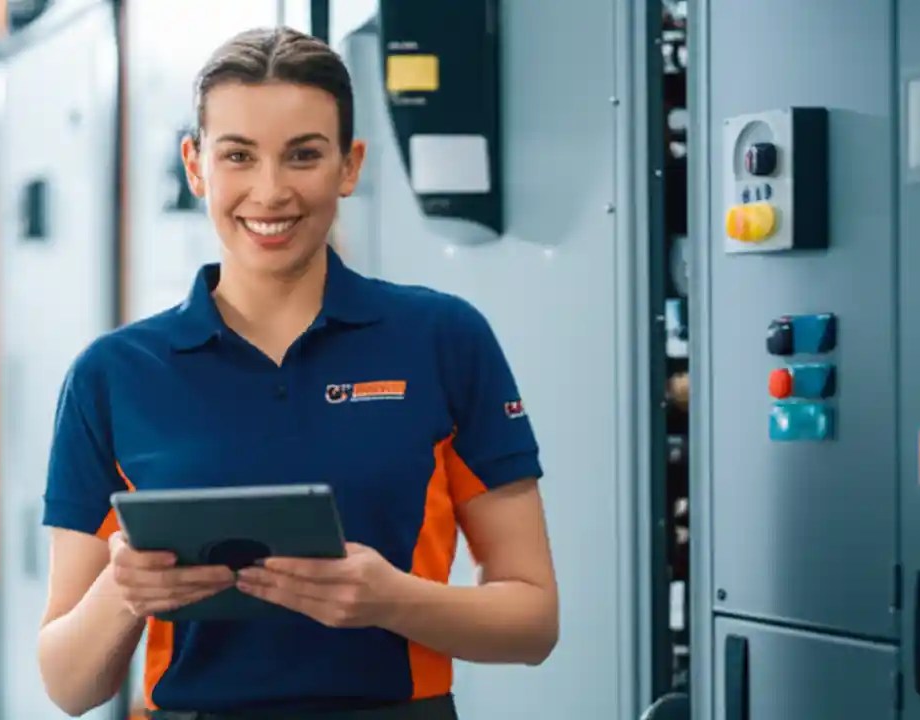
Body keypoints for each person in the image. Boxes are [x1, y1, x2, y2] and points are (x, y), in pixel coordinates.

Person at [36, 26, 558, 720]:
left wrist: (391, 599)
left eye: (304, 155)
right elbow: (70, 687)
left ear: (350, 165)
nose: (271, 191)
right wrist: (123, 592)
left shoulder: (442, 340)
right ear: (197, 167)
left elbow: (534, 620)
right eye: (238, 156)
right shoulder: (114, 375)